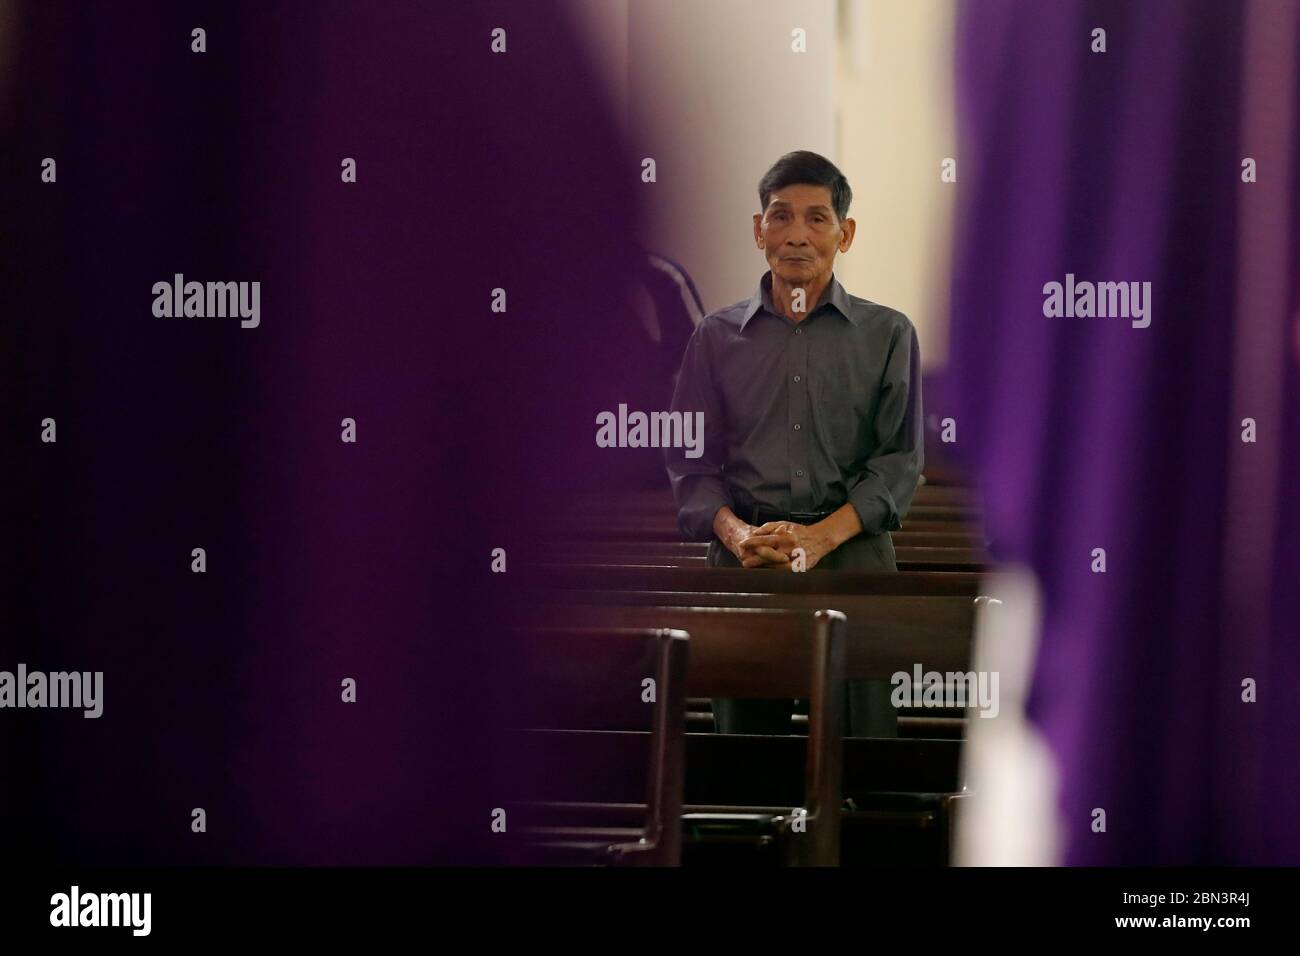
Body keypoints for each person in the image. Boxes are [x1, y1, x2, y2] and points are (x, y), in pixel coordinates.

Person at [663, 150, 924, 736]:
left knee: (866, 758)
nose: (797, 235)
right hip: (746, 564)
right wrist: (738, 534)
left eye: (817, 218)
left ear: (845, 233)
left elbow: (900, 464)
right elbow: (689, 463)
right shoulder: (715, 337)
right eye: (780, 217)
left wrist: (820, 537)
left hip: (854, 560)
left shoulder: (888, 334)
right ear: (759, 231)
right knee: (745, 766)